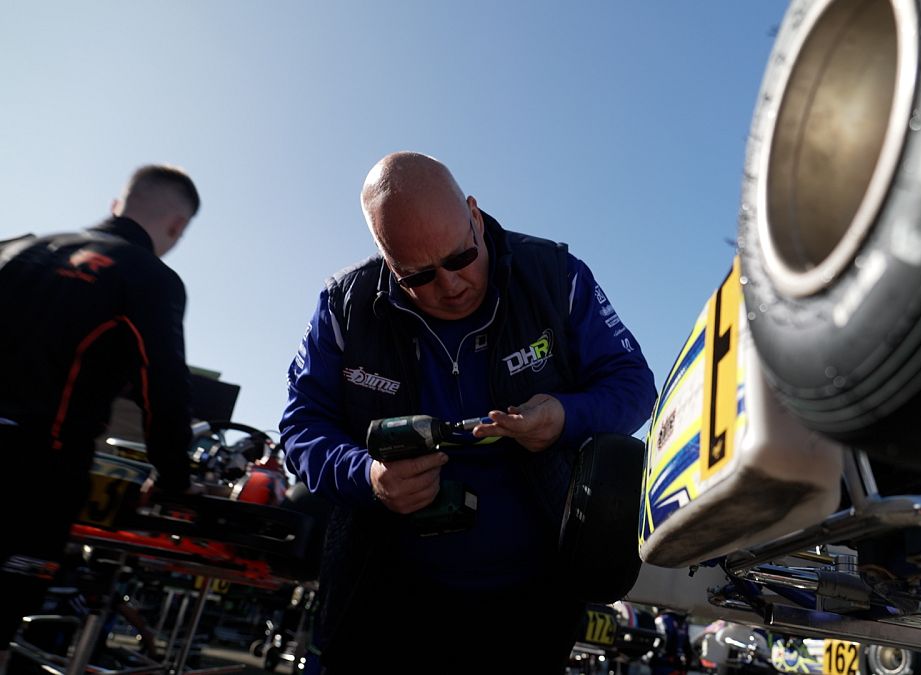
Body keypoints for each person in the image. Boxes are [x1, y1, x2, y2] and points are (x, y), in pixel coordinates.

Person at [280, 151, 657, 673]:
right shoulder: (345, 304)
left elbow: (635, 383)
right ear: (388, 263)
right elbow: (301, 426)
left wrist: (565, 417)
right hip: (380, 594)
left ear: (475, 215)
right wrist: (368, 475)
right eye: (419, 276)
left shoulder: (554, 276)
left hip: (533, 599)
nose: (451, 285)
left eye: (461, 258)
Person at [0, 165, 201, 672]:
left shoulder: (18, 246)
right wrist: (175, 480)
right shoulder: (147, 276)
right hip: (31, 471)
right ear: (177, 227)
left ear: (117, 203)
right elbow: (164, 391)